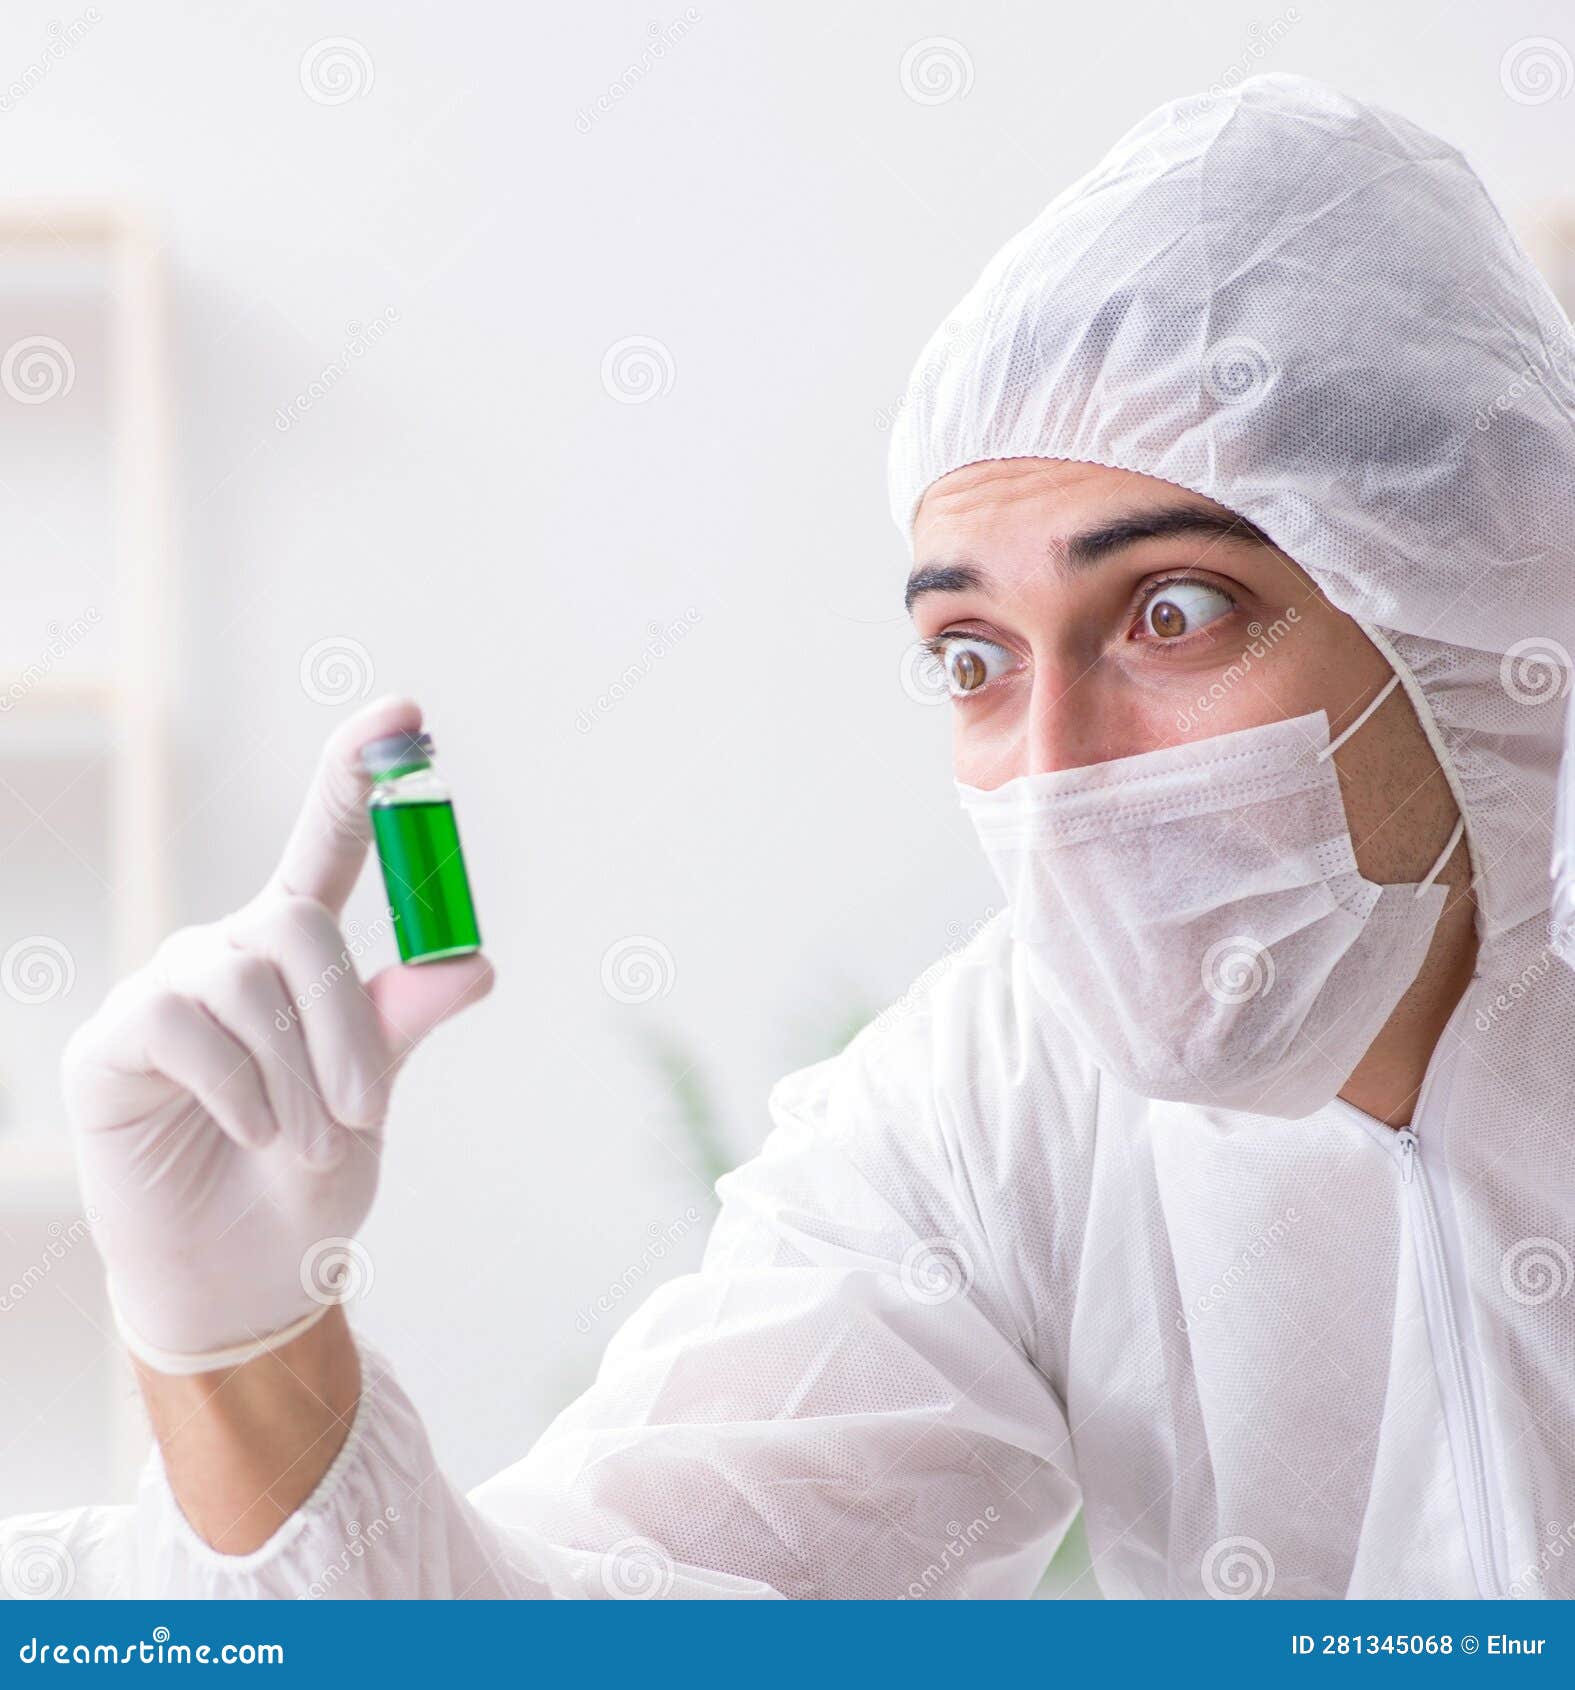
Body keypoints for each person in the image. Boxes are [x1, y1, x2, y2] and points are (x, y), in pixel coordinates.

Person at [4, 72, 1575, 1602]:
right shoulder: (1002, 1099)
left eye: (1174, 613)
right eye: (975, 655)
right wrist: (246, 1349)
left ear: (1460, 596)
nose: (1057, 772)